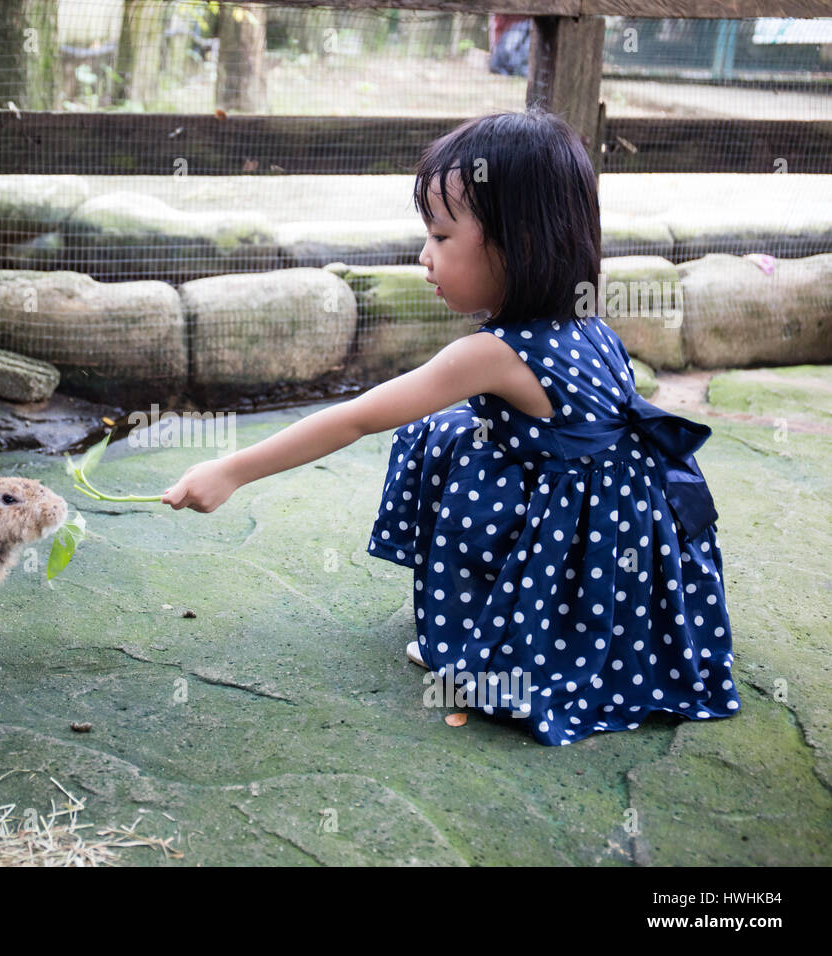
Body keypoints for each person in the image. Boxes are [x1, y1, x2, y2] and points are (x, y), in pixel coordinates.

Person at [161, 109, 739, 745]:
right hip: (629, 529)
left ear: (517, 241)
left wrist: (230, 469)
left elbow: (357, 417)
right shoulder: (585, 323)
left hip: (578, 538)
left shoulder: (490, 353)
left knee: (444, 436)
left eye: (440, 237)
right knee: (451, 429)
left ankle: (491, 645)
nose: (423, 255)